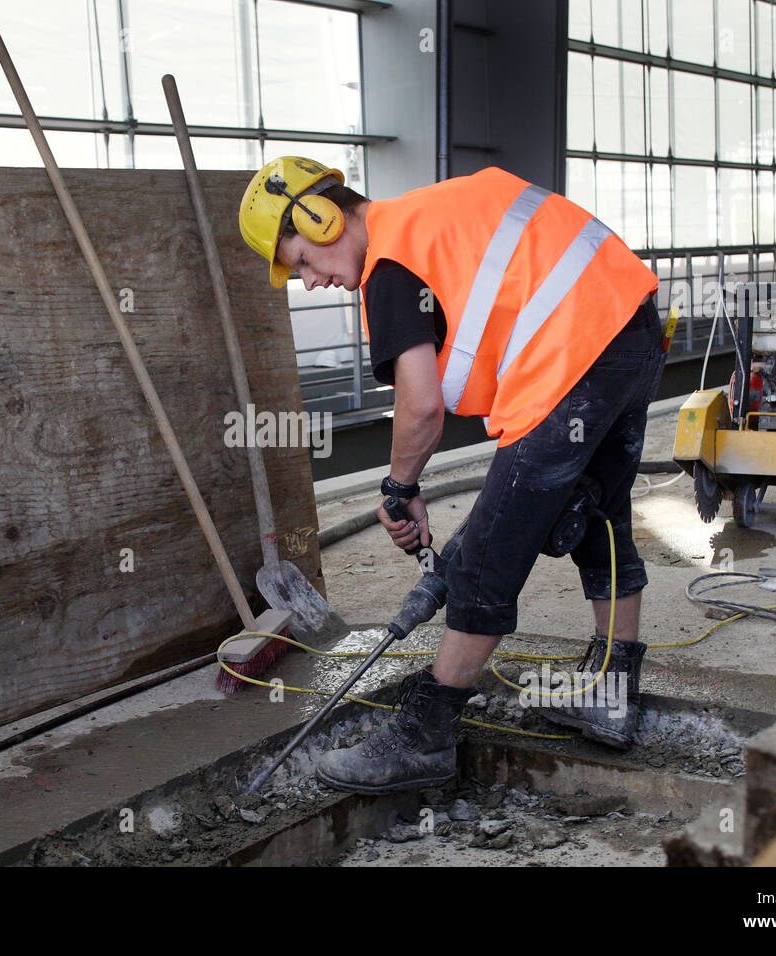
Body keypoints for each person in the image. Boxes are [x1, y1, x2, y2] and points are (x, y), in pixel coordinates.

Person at [237, 157, 665, 793]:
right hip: (629, 326)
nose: (308, 281)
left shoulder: (389, 265)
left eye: (299, 260)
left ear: (320, 219)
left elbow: (421, 407)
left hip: (570, 361)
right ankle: (611, 691)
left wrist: (399, 488)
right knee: (601, 517)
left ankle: (424, 735)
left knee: (488, 551)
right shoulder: (427, 220)